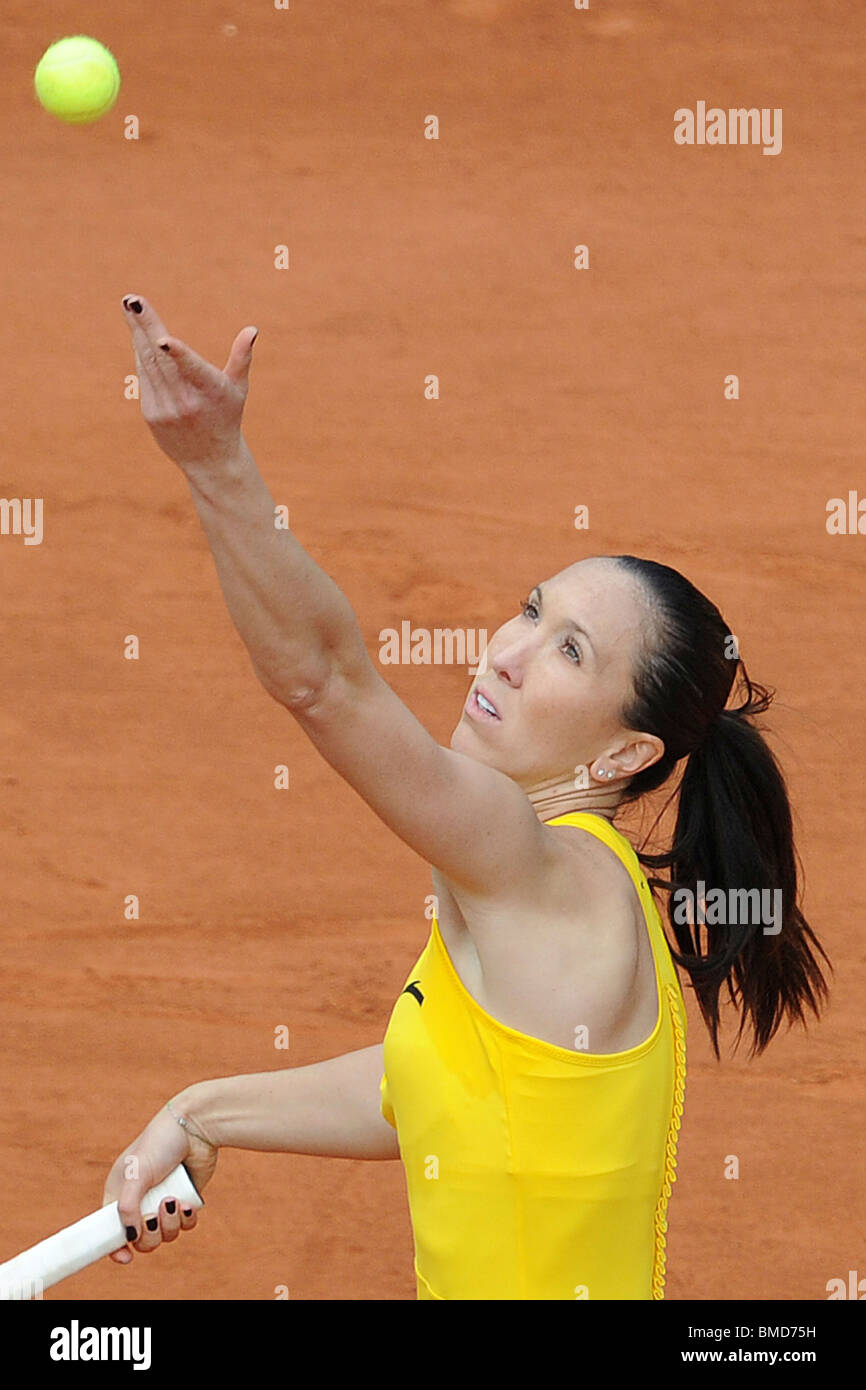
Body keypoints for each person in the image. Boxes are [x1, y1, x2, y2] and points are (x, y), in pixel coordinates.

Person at [102, 295, 830, 1299]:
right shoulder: (543, 897)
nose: (508, 652)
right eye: (532, 609)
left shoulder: (540, 870)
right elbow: (427, 1084)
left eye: (568, 650)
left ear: (624, 751)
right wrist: (199, 1111)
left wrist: (214, 463)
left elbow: (323, 680)